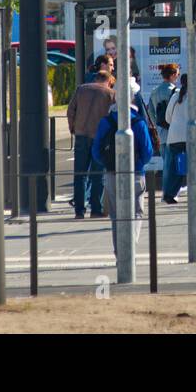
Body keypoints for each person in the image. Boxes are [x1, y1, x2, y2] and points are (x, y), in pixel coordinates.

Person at [93, 93, 153, 260]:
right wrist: (138, 164)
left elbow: (96, 151)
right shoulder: (139, 122)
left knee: (116, 215)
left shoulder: (106, 122)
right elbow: (148, 152)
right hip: (135, 173)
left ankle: (119, 251)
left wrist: (108, 164)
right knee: (136, 212)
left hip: (112, 173)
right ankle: (130, 248)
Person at [67, 69, 114, 219]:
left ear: (96, 78)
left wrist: (73, 128)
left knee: (80, 174)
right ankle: (95, 209)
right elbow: (113, 115)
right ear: (109, 80)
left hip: (81, 135)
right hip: (99, 137)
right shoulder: (110, 93)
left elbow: (70, 110)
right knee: (97, 174)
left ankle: (79, 211)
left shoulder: (81, 89)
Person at [161, 73, 196, 203]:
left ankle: (169, 194)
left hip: (175, 137)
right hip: (194, 138)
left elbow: (167, 118)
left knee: (175, 168)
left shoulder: (175, 96)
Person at [150, 63, 180, 130]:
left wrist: (157, 126)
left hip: (160, 132)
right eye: (178, 74)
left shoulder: (154, 91)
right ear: (173, 75)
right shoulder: (177, 92)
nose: (178, 76)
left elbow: (151, 112)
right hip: (174, 131)